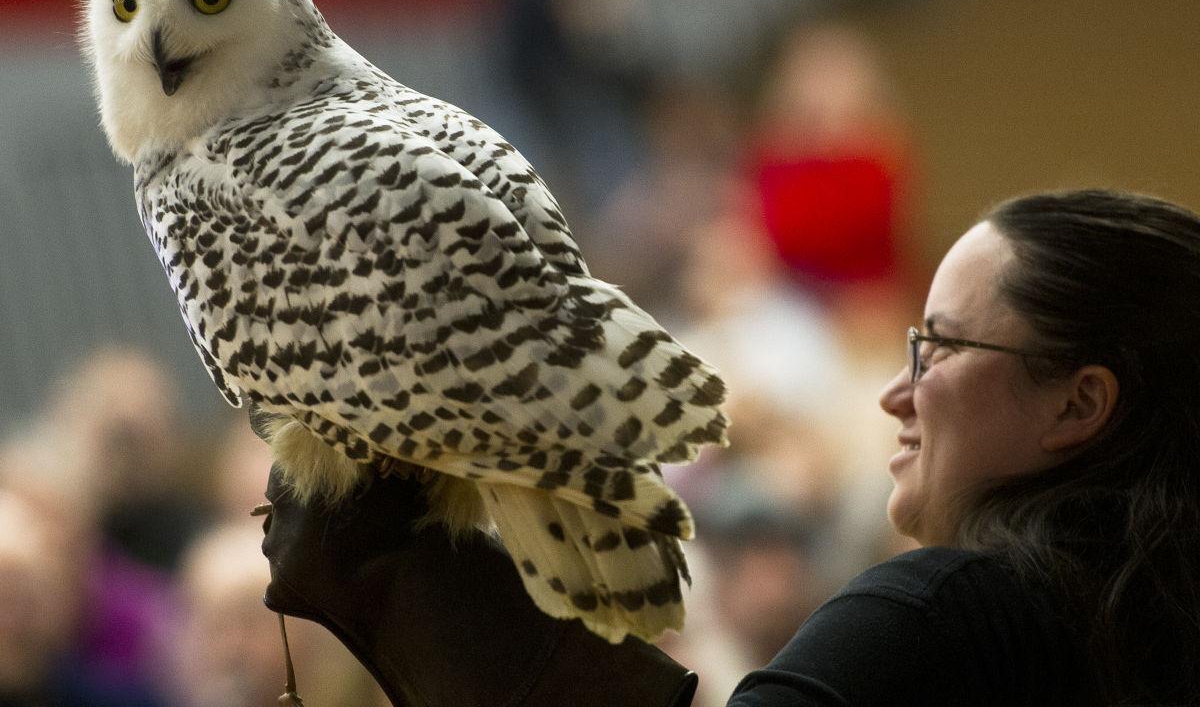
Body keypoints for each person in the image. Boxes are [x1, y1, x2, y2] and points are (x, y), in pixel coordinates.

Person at [259, 189, 1200, 705]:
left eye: (940, 346)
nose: (895, 391)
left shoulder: (952, 618)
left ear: (1080, 404)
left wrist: (407, 569)